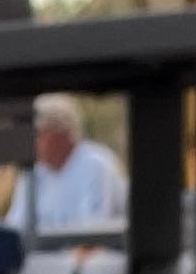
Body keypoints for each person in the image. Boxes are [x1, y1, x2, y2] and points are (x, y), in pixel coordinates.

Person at [8, 94, 128, 253]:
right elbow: (16, 228)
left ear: (61, 133)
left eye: (38, 133)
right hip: (43, 269)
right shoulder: (33, 173)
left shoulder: (96, 165)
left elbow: (92, 236)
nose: (31, 141)